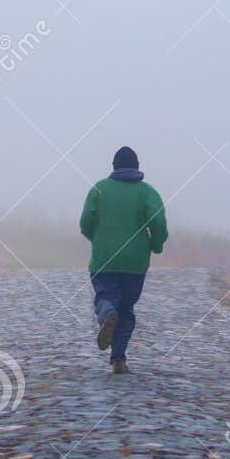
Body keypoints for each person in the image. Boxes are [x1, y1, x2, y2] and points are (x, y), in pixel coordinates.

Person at [78, 146, 167, 374]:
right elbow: (157, 222)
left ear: (114, 167)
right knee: (126, 308)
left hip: (104, 258)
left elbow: (86, 221)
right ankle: (119, 358)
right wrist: (156, 245)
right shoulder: (147, 192)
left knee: (105, 295)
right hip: (135, 263)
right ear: (137, 167)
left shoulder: (99, 190)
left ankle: (107, 312)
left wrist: (96, 239)